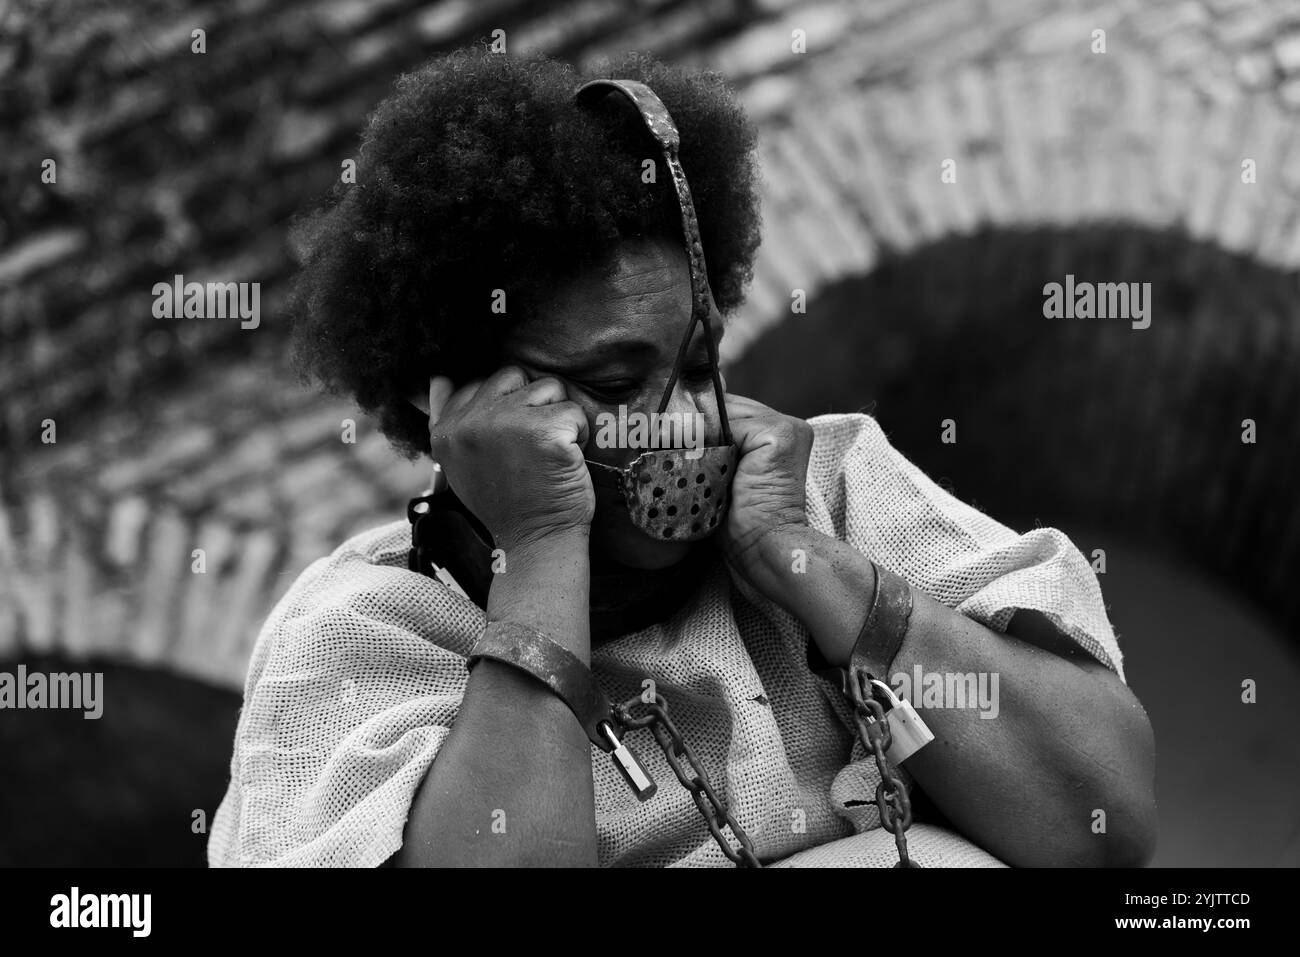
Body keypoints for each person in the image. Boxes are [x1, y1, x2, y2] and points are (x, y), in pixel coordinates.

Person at [208, 49, 1156, 868]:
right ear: (450, 399)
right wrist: (539, 550)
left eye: (697, 363)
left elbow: (1099, 822)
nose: (682, 425)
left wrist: (815, 569)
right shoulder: (361, 634)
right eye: (615, 382)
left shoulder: (833, 489)